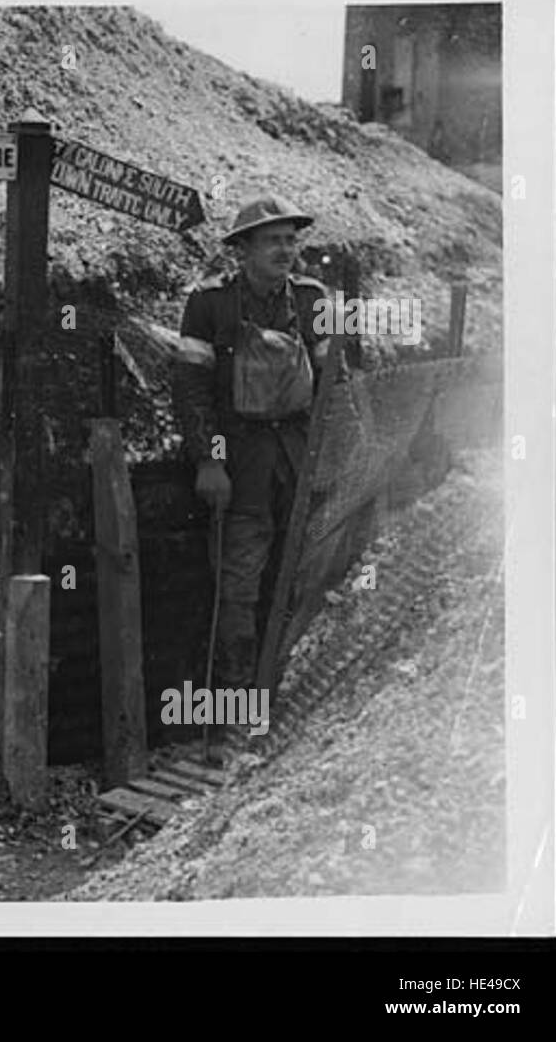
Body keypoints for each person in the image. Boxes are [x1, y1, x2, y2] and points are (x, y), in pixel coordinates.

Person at [171, 195, 337, 758]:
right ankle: (228, 723)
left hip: (299, 459)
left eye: (292, 241)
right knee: (237, 589)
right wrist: (209, 461)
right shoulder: (210, 304)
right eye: (273, 242)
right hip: (240, 463)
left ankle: (285, 707)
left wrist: (335, 456)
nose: (285, 251)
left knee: (298, 580)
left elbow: (335, 381)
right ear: (242, 251)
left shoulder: (312, 301)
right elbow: (192, 392)